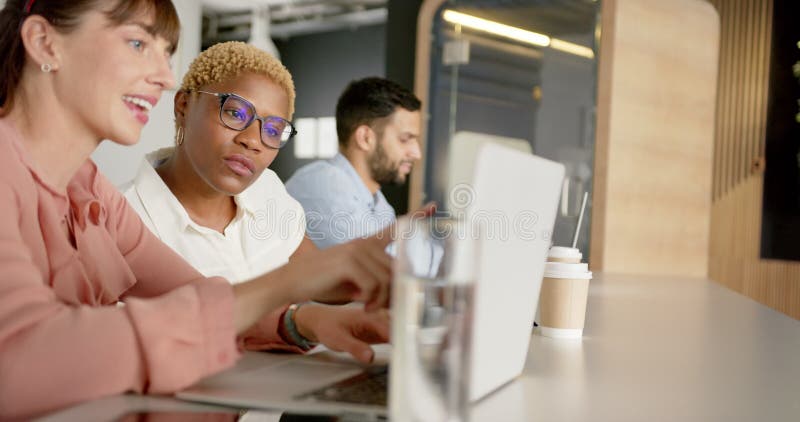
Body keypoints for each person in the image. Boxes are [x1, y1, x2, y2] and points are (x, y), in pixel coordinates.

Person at [0, 1, 391, 419]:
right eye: (137, 43)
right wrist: (292, 280)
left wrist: (302, 321)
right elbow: (20, 362)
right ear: (44, 43)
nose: (165, 78)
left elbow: (193, 294)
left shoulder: (88, 188)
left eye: (166, 54)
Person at [123, 41, 389, 358]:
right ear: (183, 105)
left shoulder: (267, 191)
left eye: (274, 130)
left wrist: (384, 279)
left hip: (278, 395)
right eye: (235, 112)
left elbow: (317, 277)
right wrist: (305, 320)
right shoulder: (126, 218)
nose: (252, 141)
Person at [285, 77, 423, 249]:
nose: (416, 153)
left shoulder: (380, 205)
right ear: (365, 138)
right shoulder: (323, 184)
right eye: (405, 139)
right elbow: (376, 267)